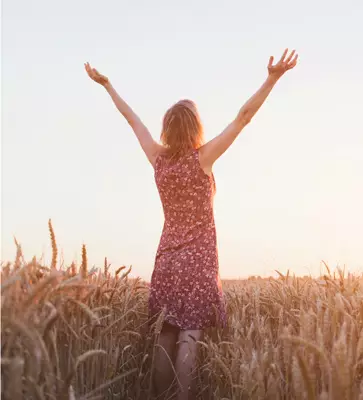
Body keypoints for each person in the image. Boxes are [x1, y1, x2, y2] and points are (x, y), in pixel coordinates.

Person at [85, 48, 298, 399]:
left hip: (167, 257)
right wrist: (271, 79)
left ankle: (158, 396)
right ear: (196, 127)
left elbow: (130, 118)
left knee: (165, 333)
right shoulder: (204, 158)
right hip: (198, 259)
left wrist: (108, 86)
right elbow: (243, 118)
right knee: (190, 334)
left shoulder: (158, 159)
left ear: (167, 129)